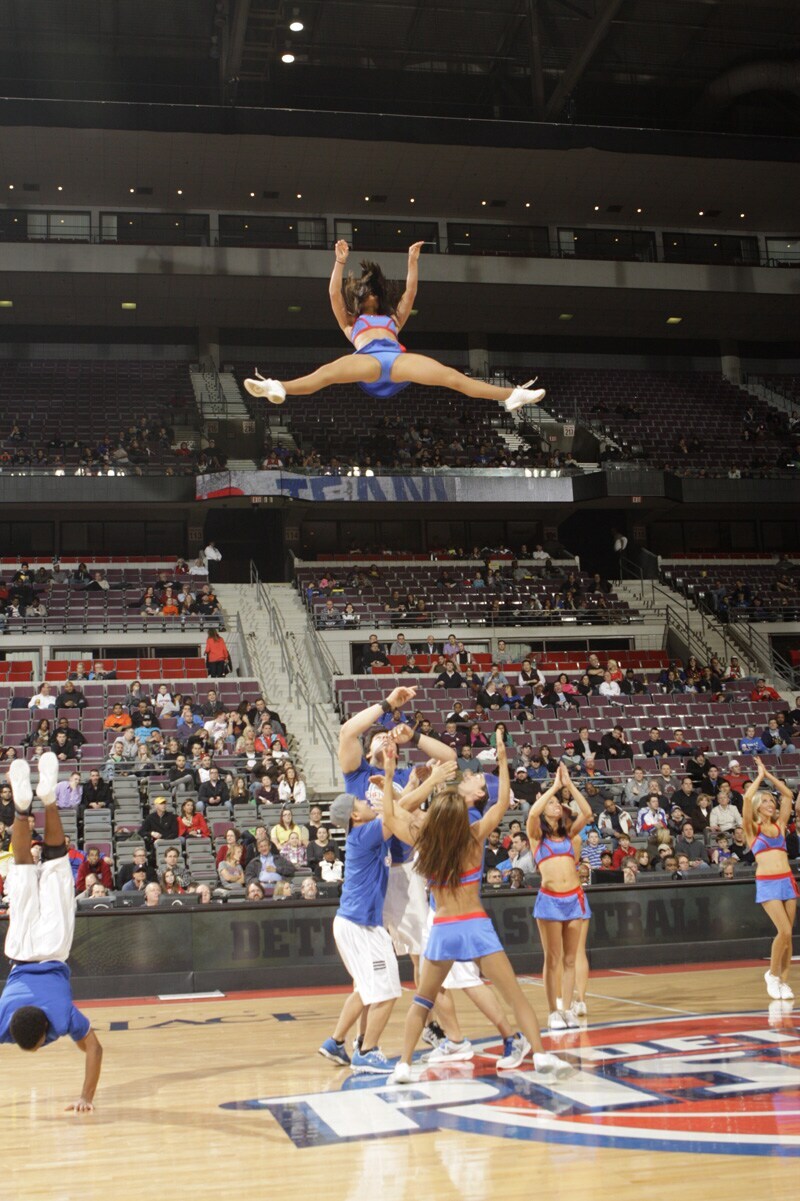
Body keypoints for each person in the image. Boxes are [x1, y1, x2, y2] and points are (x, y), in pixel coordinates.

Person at [382, 733, 570, 1085]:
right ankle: (541, 1055)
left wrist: (391, 771)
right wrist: (501, 760)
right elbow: (501, 804)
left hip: (444, 927)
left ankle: (404, 1065)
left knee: (422, 1001)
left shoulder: (424, 839)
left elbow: (391, 815)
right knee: (514, 996)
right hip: (475, 924)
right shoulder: (475, 835)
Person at [244, 240, 546, 414]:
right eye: (367, 291)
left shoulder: (394, 320)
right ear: (360, 299)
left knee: (452, 377)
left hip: (397, 358)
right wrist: (339, 262)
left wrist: (412, 262)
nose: (372, 293)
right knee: (326, 375)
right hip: (367, 360)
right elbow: (333, 294)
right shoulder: (350, 322)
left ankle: (511, 395)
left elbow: (410, 293)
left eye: (375, 290)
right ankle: (278, 387)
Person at [0, 754, 103, 1110]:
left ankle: (48, 799)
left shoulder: (61, 1015)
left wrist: (85, 1099)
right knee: (24, 869)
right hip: (18, 948)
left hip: (53, 945)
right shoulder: (3, 1022)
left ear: (45, 1030)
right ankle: (22, 807)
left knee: (58, 862)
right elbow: (93, 1048)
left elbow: (95, 1049)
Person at [528, 763, 594, 1029]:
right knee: (552, 959)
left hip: (574, 899)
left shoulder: (569, 836)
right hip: (550, 901)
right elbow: (533, 812)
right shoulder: (536, 837)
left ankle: (566, 1009)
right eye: (552, 804)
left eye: (558, 803)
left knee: (570, 959)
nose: (557, 805)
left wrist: (569, 785)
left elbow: (587, 812)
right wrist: (554, 787)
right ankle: (553, 1011)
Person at [742, 757, 797, 1001]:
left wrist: (771, 777)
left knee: (789, 938)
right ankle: (772, 975)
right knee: (783, 931)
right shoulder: (751, 829)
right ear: (757, 806)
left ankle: (782, 982)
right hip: (767, 883)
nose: (771, 803)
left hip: (787, 880)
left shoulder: (781, 824)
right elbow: (745, 798)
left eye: (771, 801)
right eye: (765, 800)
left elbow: (787, 795)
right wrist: (760, 777)